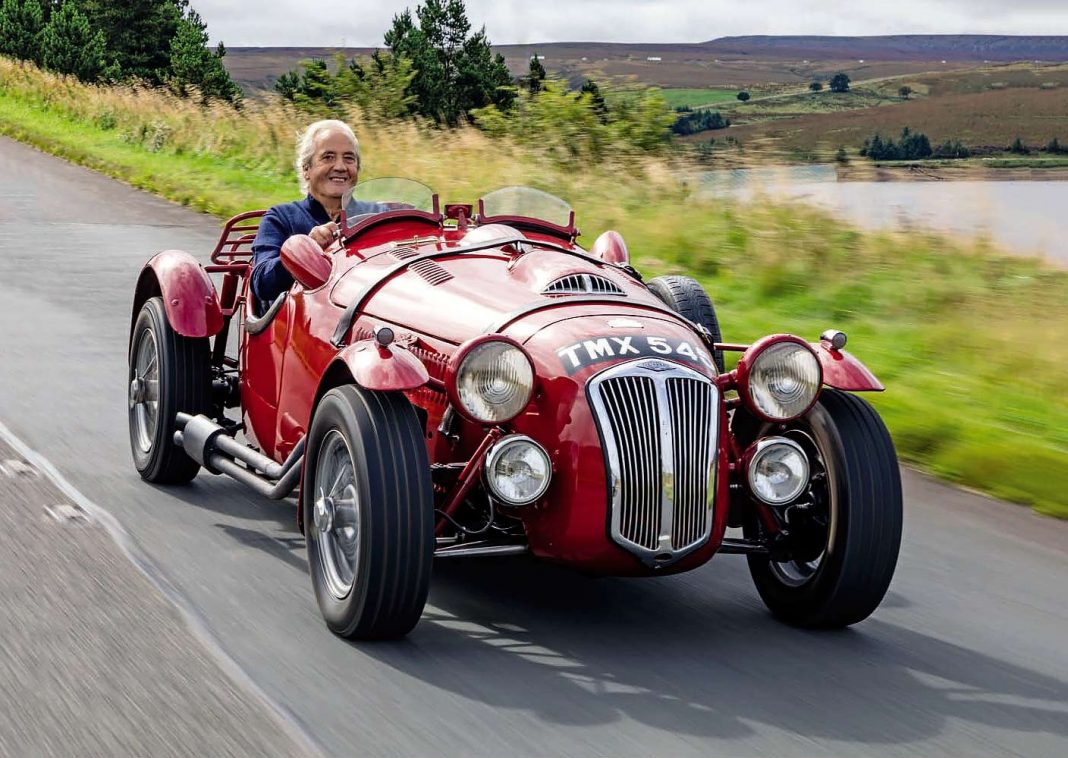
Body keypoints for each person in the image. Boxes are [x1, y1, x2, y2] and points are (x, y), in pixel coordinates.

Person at [250, 119, 383, 313]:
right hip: (302, 326)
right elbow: (261, 283)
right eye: (328, 157)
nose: (340, 166)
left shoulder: (378, 215)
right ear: (306, 169)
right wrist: (306, 249)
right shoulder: (281, 217)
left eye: (349, 158)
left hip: (371, 316)